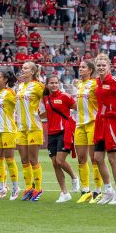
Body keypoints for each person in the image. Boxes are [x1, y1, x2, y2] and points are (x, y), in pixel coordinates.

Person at [92, 53, 116, 204]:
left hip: (111, 122)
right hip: (100, 122)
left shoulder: (115, 81)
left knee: (112, 159)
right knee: (97, 158)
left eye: (103, 65)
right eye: (98, 65)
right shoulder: (97, 81)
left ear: (109, 66)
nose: (101, 67)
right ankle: (108, 191)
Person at [42, 74, 79, 203]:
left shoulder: (65, 96)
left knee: (60, 160)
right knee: (54, 164)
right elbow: (43, 113)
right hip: (51, 133)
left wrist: (72, 121)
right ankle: (64, 193)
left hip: (64, 131)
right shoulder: (45, 98)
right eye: (51, 83)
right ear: (47, 85)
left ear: (59, 84)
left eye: (56, 83)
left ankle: (74, 177)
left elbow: (77, 108)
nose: (54, 85)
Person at [15, 62, 45, 201]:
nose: (23, 69)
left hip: (33, 127)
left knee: (33, 160)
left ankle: (38, 188)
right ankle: (28, 187)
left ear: (32, 72)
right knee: (24, 160)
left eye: (26, 68)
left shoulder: (38, 86)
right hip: (21, 128)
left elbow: (48, 101)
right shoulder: (20, 86)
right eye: (23, 67)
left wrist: (42, 116)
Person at [74, 60, 103, 203]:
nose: (80, 69)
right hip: (79, 125)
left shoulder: (95, 83)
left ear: (90, 70)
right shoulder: (79, 85)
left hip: (92, 123)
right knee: (81, 159)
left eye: (83, 67)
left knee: (94, 159)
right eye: (79, 67)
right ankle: (85, 190)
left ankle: (98, 190)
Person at [0, 70, 20, 200]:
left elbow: (19, 106)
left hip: (8, 130)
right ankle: (1, 188)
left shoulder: (10, 93)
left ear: (5, 80)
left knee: (9, 160)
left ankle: (15, 188)